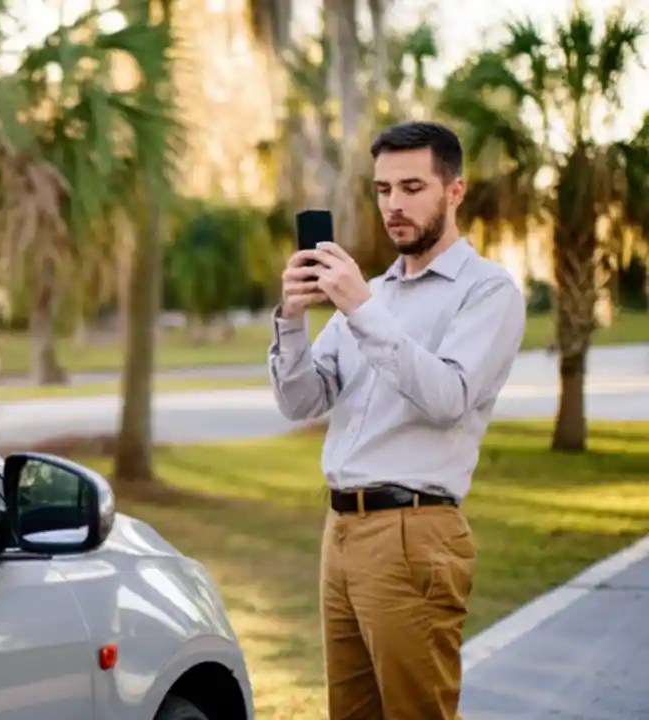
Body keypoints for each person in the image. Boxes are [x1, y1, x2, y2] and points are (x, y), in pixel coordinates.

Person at [268, 121, 526, 719]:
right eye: (383, 189)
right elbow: (301, 401)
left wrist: (359, 307)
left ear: (454, 191)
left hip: (416, 535)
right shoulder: (374, 291)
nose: (394, 205)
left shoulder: (486, 292)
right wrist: (290, 316)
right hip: (341, 533)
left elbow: (448, 396)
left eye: (412, 187)